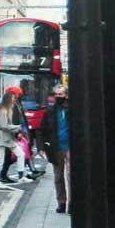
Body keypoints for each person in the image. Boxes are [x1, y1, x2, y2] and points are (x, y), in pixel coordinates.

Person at [39, 84, 70, 215]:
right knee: (58, 177)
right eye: (56, 95)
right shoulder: (50, 111)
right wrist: (41, 147)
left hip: (70, 147)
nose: (58, 97)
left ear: (66, 95)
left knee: (71, 176)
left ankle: (73, 204)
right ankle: (61, 203)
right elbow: (41, 130)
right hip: (56, 148)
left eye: (60, 94)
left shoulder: (73, 109)